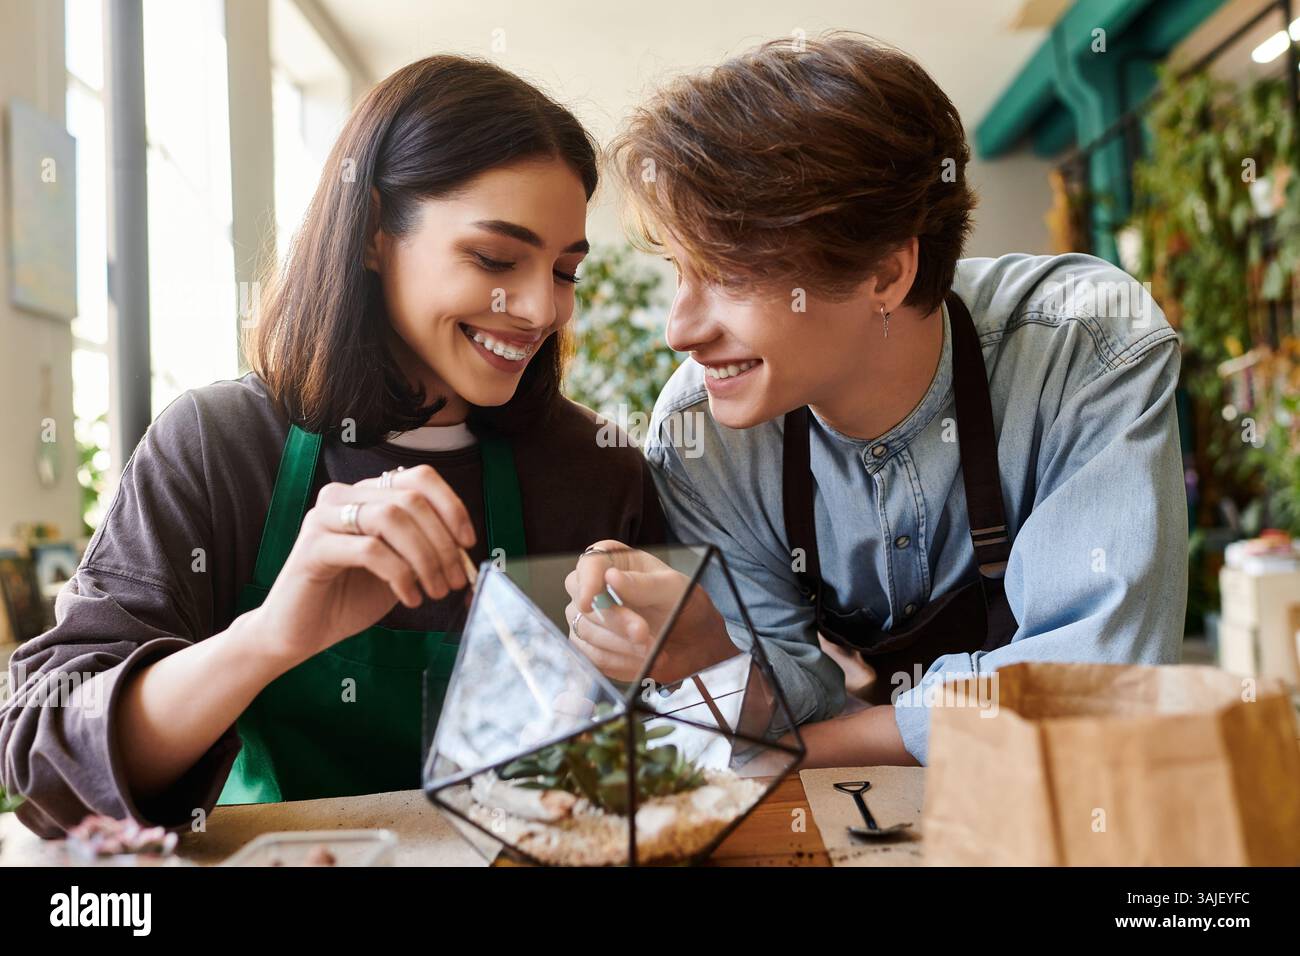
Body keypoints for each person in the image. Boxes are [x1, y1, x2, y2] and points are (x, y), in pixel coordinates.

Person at [1, 55, 663, 837]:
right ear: (375, 233)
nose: (538, 308)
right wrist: (269, 637)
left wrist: (673, 661)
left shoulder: (597, 466)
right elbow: (45, 763)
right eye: (494, 259)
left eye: (564, 271)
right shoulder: (215, 447)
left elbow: (682, 748)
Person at [566, 33, 1187, 767]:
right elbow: (784, 704)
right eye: (679, 269)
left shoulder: (1085, 345)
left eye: (728, 275)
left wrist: (823, 741)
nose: (680, 330)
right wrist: (710, 655)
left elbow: (1097, 689)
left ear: (887, 274)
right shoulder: (703, 432)